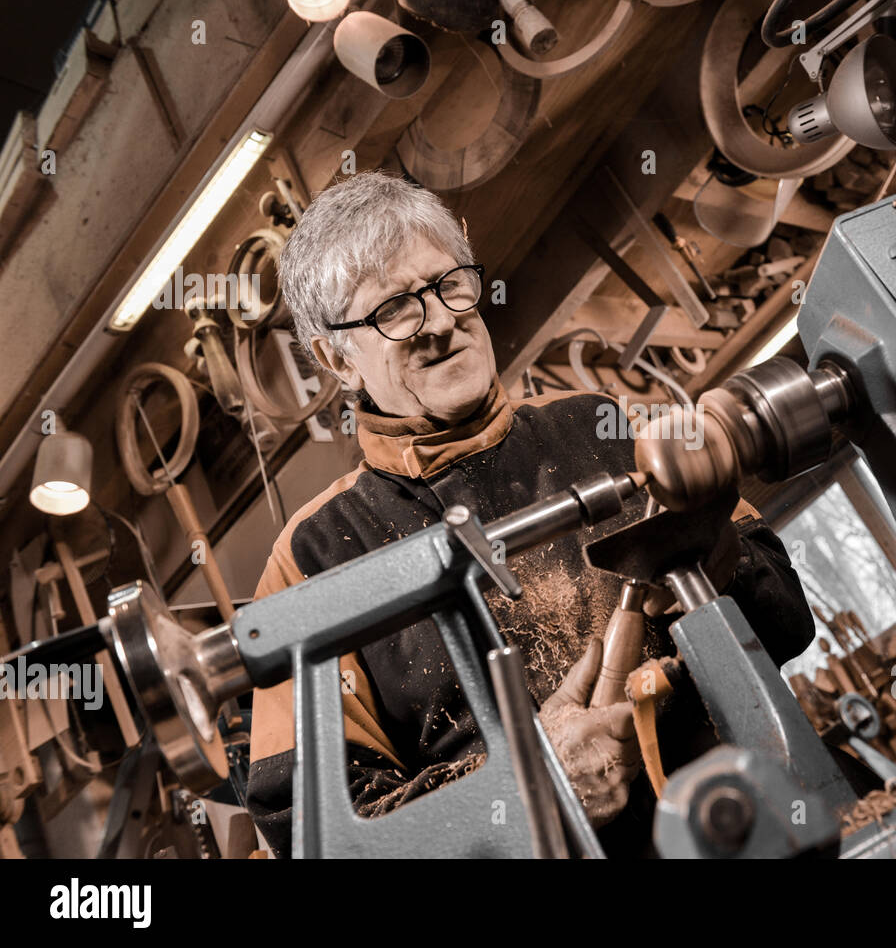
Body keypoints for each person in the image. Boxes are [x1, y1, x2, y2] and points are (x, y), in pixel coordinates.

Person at [244, 171, 814, 857]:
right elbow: (313, 831)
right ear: (336, 358)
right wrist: (526, 788)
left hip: (756, 831)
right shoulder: (313, 555)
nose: (440, 322)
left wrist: (712, 546)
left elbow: (784, 614)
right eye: (395, 308)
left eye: (448, 283)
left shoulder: (598, 425)